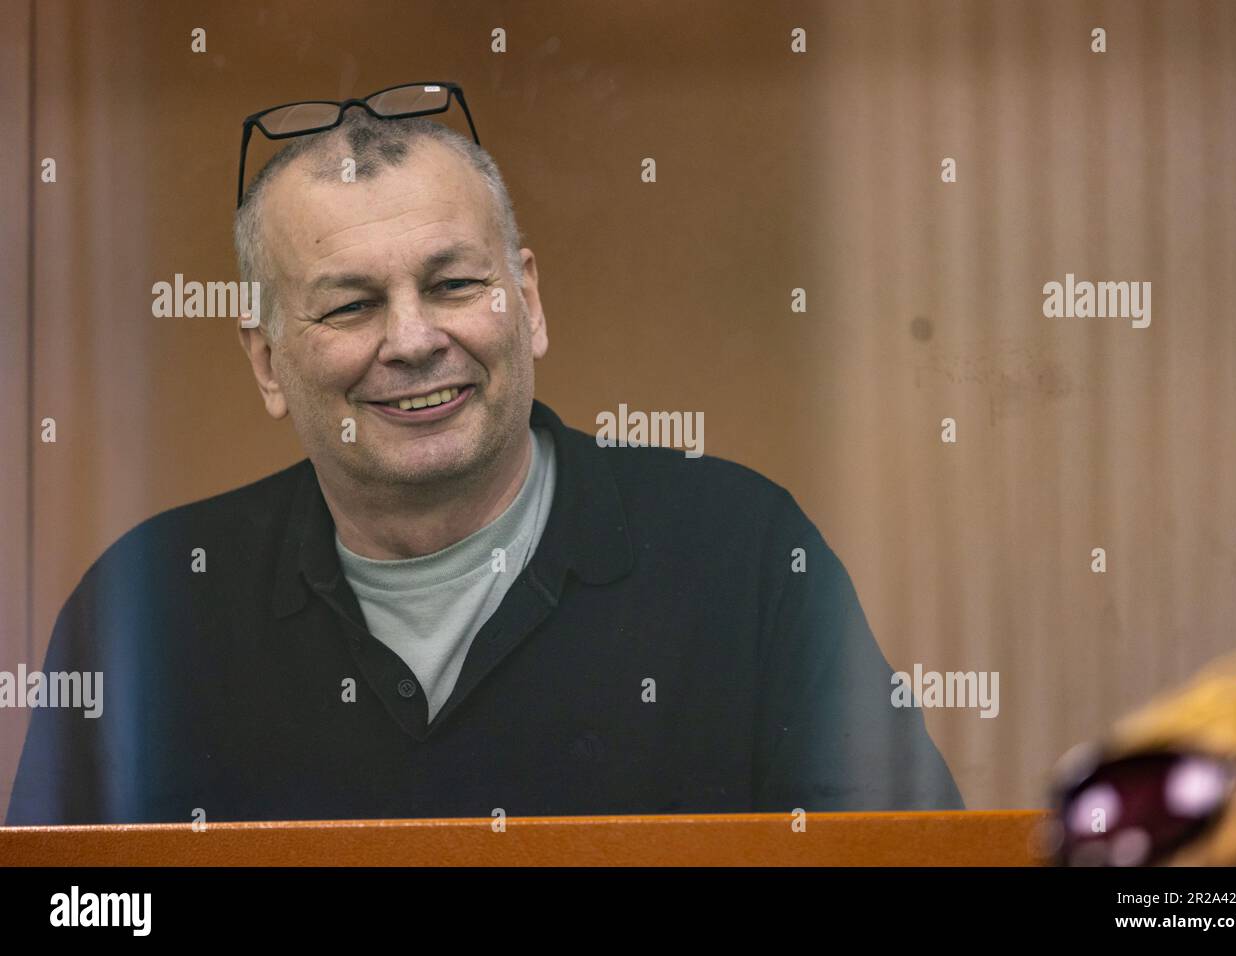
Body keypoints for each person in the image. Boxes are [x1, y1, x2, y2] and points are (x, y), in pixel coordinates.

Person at [6, 106, 963, 824]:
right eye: (350, 306)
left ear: (528, 301)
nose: (414, 340)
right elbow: (64, 913)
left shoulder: (744, 555)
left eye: (454, 284)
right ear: (266, 360)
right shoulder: (148, 607)